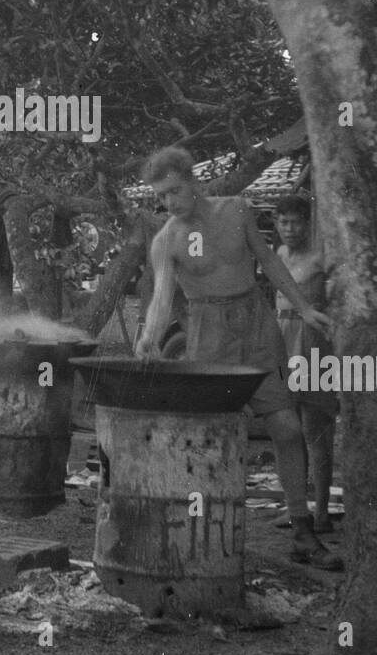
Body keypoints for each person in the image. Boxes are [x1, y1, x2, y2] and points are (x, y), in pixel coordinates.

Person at [134, 147, 343, 570]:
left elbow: (268, 261)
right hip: (208, 334)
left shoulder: (237, 210)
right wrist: (149, 337)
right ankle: (201, 533)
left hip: (257, 325)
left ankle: (303, 533)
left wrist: (303, 307)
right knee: (212, 436)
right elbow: (162, 297)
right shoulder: (167, 239)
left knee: (286, 428)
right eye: (162, 196)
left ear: (192, 180)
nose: (170, 202)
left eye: (175, 191)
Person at [273, 194, 338, 535]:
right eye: (283, 222)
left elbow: (339, 293)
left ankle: (323, 511)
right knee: (288, 429)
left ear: (307, 224)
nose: (289, 229)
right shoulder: (279, 255)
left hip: (312, 344)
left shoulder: (321, 257)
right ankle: (295, 507)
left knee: (317, 431)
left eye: (296, 222)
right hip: (283, 343)